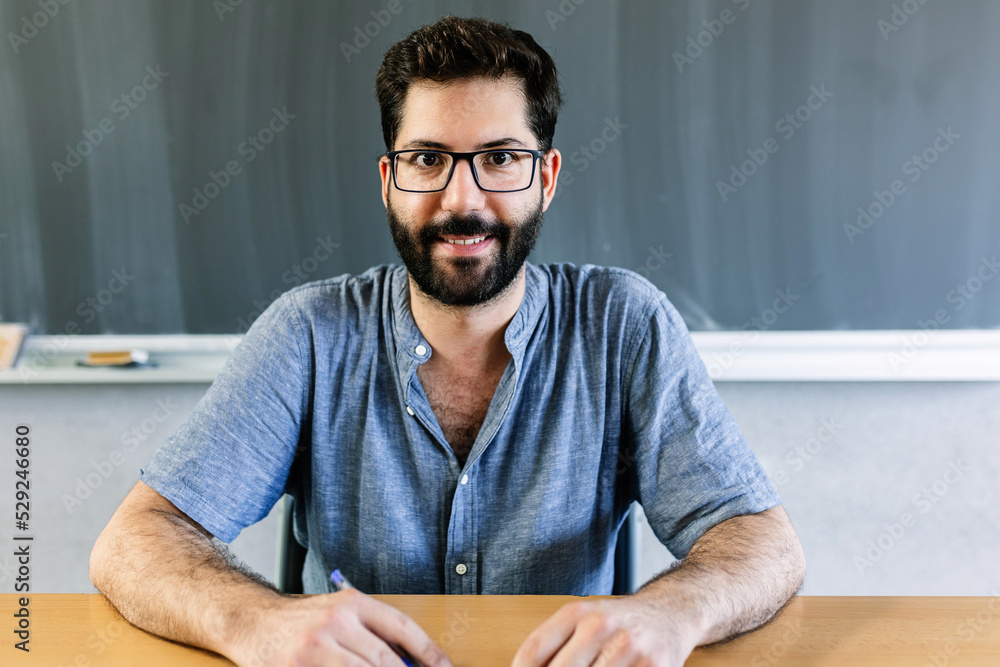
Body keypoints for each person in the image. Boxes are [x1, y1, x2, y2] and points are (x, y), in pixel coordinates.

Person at [90, 15, 805, 667]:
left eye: (499, 158)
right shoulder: (307, 335)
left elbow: (763, 542)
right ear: (389, 181)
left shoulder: (624, 325)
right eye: (428, 159)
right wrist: (256, 621)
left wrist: (672, 610)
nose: (461, 200)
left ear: (546, 178)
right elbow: (134, 540)